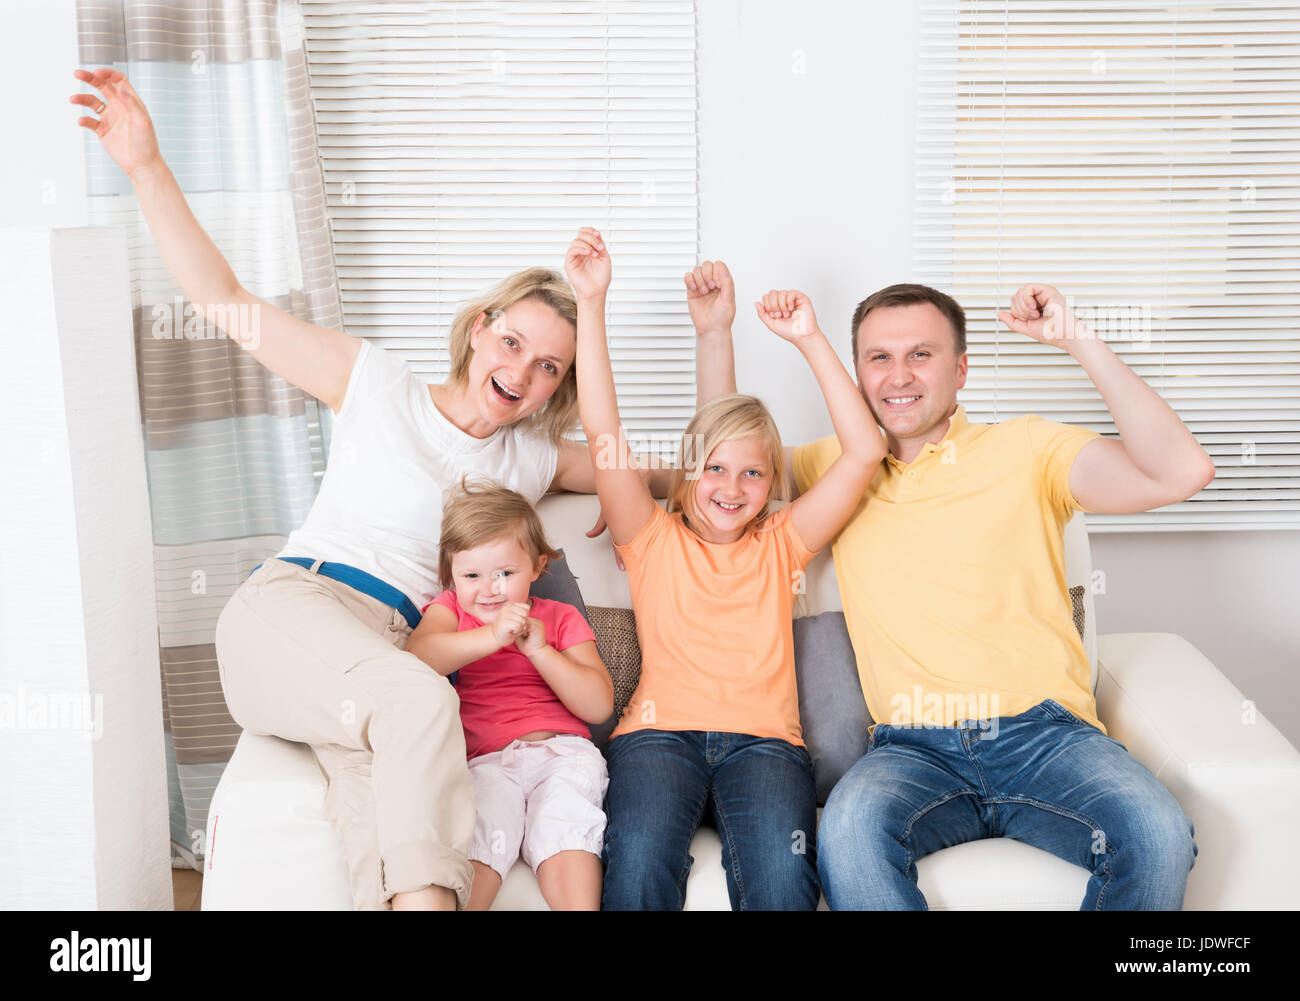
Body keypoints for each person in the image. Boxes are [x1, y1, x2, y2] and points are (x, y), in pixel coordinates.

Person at [71, 67, 672, 911]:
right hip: (296, 610)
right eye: (511, 342)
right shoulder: (375, 383)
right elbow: (226, 303)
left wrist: (729, 468)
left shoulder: (530, 461)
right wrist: (146, 166)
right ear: (476, 332)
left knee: (392, 817)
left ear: (553, 392)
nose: (520, 371)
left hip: (384, 655)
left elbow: (620, 461)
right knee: (420, 700)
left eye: (548, 368)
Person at [690, 266, 1215, 910]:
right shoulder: (839, 464)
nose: (900, 375)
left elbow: (1182, 471)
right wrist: (714, 335)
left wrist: (1078, 338)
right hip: (911, 748)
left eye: (921, 355)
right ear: (858, 374)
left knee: (1158, 834)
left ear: (961, 369)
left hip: (1046, 738)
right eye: (879, 358)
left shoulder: (1026, 449)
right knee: (848, 836)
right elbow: (723, 458)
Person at [565, 230, 887, 909]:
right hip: (658, 737)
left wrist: (808, 338)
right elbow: (603, 430)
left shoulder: (782, 540)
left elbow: (864, 451)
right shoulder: (650, 536)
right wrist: (590, 303)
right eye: (713, 468)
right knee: (639, 862)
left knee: (781, 878)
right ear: (687, 474)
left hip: (765, 746)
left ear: (772, 484)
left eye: (751, 472)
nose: (730, 486)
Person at [405, 477, 613, 910]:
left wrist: (539, 651)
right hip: (485, 760)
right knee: (480, 832)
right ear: (451, 577)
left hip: (562, 755)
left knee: (566, 825)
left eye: (505, 573)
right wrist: (492, 637)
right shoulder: (449, 611)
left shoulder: (559, 617)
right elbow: (420, 658)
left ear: (536, 568)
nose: (490, 588)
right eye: (472, 575)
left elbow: (598, 705)